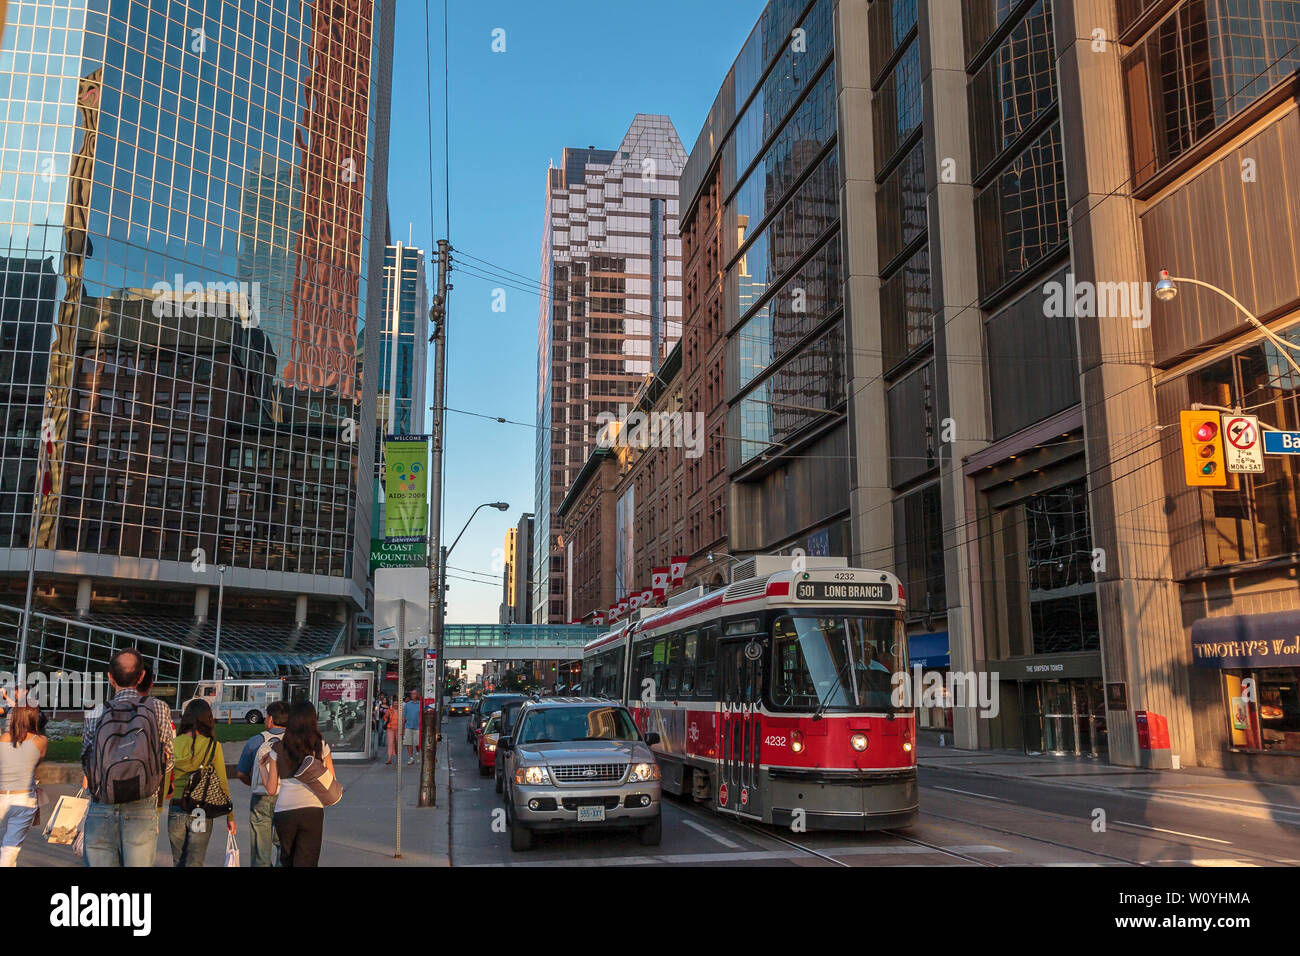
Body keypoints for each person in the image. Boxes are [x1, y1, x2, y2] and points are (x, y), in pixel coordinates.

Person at [81, 648, 174, 867]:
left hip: (102, 803)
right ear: (142, 676)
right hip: (142, 804)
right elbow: (168, 760)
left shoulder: (95, 711)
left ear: (110, 677)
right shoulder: (158, 708)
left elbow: (86, 759)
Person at [261, 700, 334, 867]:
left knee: (287, 860)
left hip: (285, 811)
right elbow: (331, 780)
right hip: (313, 810)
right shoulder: (320, 746)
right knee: (308, 861)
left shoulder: (278, 748)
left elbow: (271, 789)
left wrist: (261, 766)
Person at [168, 698, 235, 866]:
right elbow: (222, 782)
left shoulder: (173, 744)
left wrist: (156, 813)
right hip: (200, 811)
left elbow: (164, 779)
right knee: (195, 861)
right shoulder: (213, 746)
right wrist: (230, 817)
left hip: (176, 807)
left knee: (178, 861)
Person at [236, 699, 288, 866]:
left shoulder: (255, 741)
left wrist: (255, 782)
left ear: (270, 719)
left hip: (261, 796)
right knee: (285, 847)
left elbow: (241, 773)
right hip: (287, 798)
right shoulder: (294, 741)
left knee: (260, 848)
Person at [0, 706, 46, 866]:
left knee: (2, 843)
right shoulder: (40, 741)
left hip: (1, 794)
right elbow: (37, 762)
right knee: (10, 847)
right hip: (24, 797)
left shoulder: (4, 738)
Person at [402, 691, 421, 765]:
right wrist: (403, 728)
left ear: (417, 695)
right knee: (408, 742)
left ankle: (418, 753)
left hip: (417, 727)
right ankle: (411, 758)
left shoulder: (420, 704)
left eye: (414, 694)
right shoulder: (407, 705)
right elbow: (404, 717)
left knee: (417, 743)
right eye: (412, 694)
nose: (413, 695)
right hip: (408, 726)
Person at [384, 697, 400, 764]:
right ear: (393, 704)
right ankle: (389, 759)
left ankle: (397, 757)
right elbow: (385, 717)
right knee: (390, 743)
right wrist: (386, 720)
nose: (396, 704)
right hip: (390, 728)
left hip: (398, 729)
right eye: (395, 703)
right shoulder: (389, 710)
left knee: (397, 743)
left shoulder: (401, 710)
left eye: (397, 703)